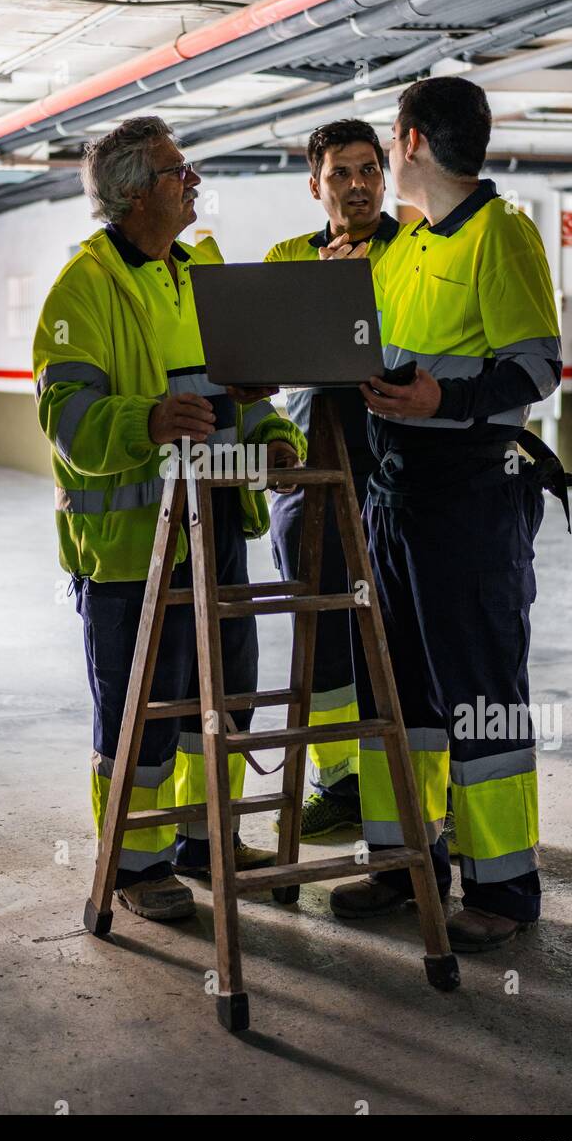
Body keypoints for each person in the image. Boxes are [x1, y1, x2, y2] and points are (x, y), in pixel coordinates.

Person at [32, 116, 305, 922]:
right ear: (135, 193)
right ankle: (135, 859)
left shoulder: (201, 274)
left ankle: (200, 837)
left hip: (215, 526)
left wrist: (278, 437)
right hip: (129, 551)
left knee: (220, 698)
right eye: (177, 170)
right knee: (139, 711)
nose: (192, 181)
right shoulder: (81, 289)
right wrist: (147, 422)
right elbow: (70, 422)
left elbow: (238, 398)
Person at [326, 76, 570, 952]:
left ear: (412, 141)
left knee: (480, 699)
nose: (386, 160)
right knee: (399, 692)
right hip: (393, 498)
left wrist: (443, 400)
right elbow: (366, 351)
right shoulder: (404, 245)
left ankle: (503, 890)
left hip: (471, 497)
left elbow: (537, 369)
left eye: (390, 144)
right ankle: (403, 864)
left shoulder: (499, 235)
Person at [265, 120, 400, 837]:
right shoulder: (288, 258)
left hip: (390, 473)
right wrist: (321, 291)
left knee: (388, 626)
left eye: (369, 168)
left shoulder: (411, 250)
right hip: (310, 475)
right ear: (315, 184)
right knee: (319, 627)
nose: (357, 183)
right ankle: (336, 781)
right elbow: (264, 360)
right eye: (341, 172)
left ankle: (394, 785)